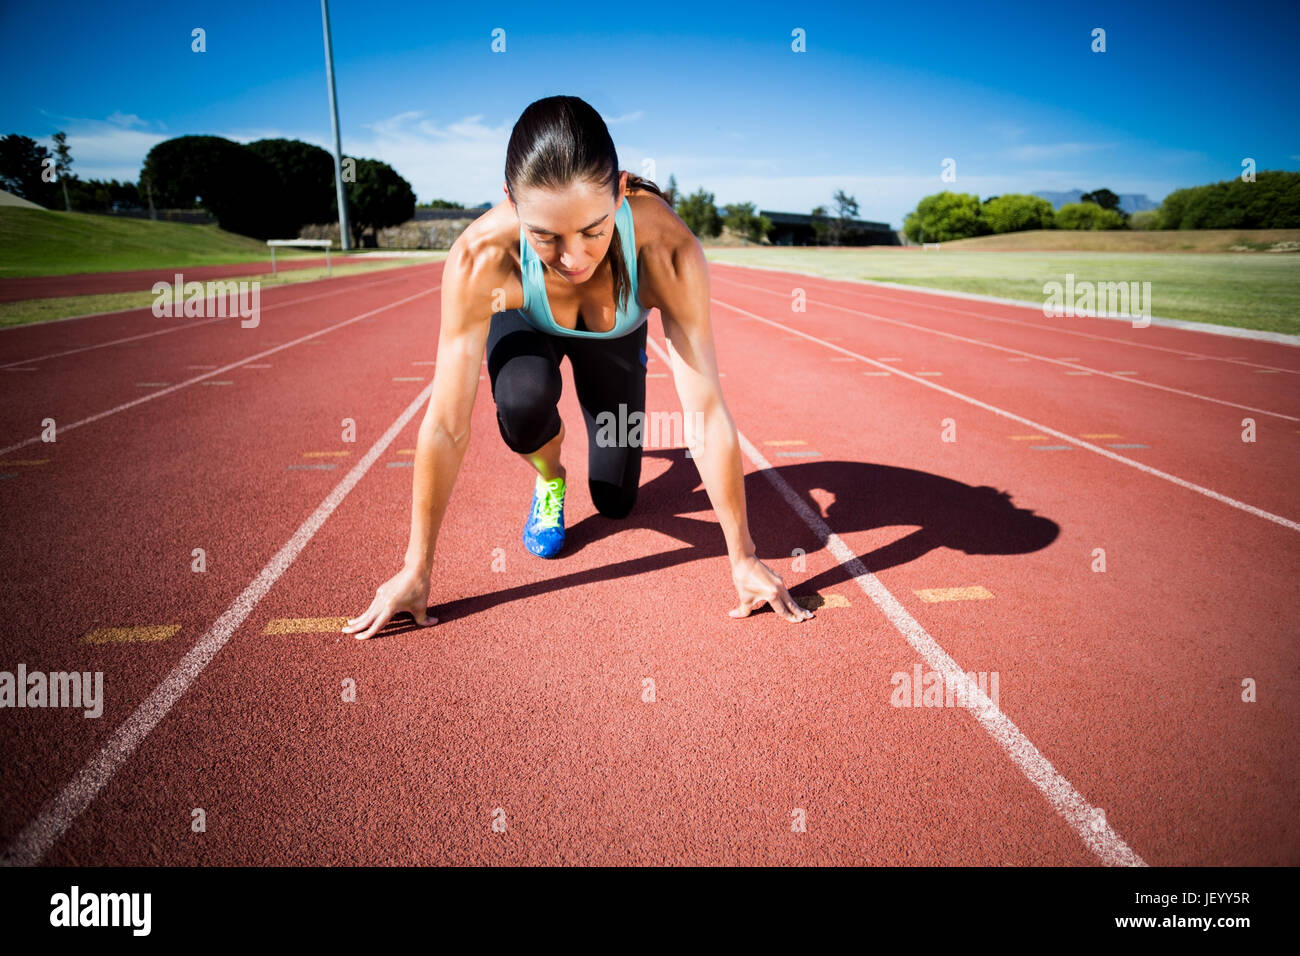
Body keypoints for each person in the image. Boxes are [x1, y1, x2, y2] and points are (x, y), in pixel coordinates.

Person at [343, 95, 813, 639]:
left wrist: (744, 558)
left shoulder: (667, 250)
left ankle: (613, 417)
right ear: (512, 205)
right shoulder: (482, 260)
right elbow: (446, 424)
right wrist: (415, 569)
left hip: (613, 335)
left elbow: (705, 413)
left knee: (616, 499)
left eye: (593, 230)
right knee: (521, 401)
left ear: (619, 193)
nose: (573, 259)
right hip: (525, 323)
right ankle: (550, 478)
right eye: (545, 236)